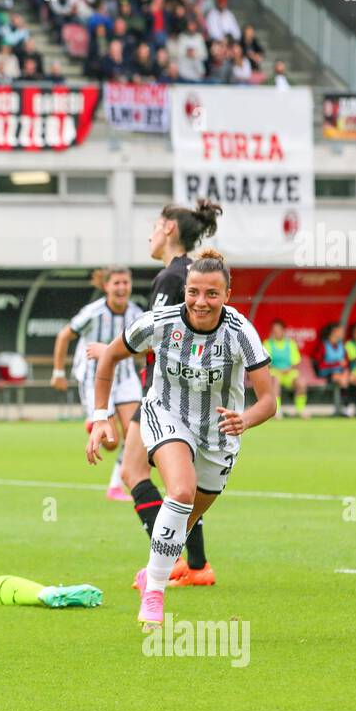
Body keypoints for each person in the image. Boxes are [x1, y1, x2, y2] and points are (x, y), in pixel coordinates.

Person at [87, 249, 275, 629]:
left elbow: (269, 400)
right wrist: (100, 416)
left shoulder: (242, 333)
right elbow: (108, 357)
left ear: (227, 294)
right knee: (181, 491)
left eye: (211, 293)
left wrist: (246, 418)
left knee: (188, 516)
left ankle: (151, 569)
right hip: (166, 414)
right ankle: (155, 591)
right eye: (193, 292)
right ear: (184, 290)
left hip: (218, 434)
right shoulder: (159, 322)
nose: (200, 302)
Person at [119, 200, 222, 588]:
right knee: (184, 483)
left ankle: (171, 559)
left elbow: (154, 337)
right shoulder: (190, 274)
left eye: (154, 226)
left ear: (168, 230)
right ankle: (196, 565)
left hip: (163, 394)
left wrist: (116, 349)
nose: (149, 234)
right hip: (187, 392)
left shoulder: (171, 277)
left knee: (135, 472)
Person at [52, 267, 144, 501]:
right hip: (95, 378)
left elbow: (144, 347)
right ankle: (93, 424)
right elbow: (64, 335)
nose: (122, 287)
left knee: (136, 431)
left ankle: (115, 487)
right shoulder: (92, 313)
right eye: (116, 283)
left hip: (124, 377)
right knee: (111, 442)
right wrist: (58, 372)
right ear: (106, 286)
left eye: (126, 282)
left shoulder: (136, 313)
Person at [263, 319, 308, 419]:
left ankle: (300, 409)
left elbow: (295, 361)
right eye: (274, 331)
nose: (276, 333)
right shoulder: (267, 344)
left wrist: (287, 369)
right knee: (275, 381)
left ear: (283, 331)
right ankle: (276, 410)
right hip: (274, 372)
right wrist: (277, 369)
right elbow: (266, 362)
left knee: (301, 382)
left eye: (278, 330)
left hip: (289, 372)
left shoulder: (291, 344)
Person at [315, 322, 353, 415]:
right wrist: (336, 364)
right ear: (333, 332)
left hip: (341, 372)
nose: (343, 333)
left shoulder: (341, 345)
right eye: (340, 331)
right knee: (342, 379)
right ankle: (345, 407)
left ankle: (354, 406)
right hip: (326, 373)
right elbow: (319, 365)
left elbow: (346, 362)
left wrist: (345, 370)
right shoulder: (323, 345)